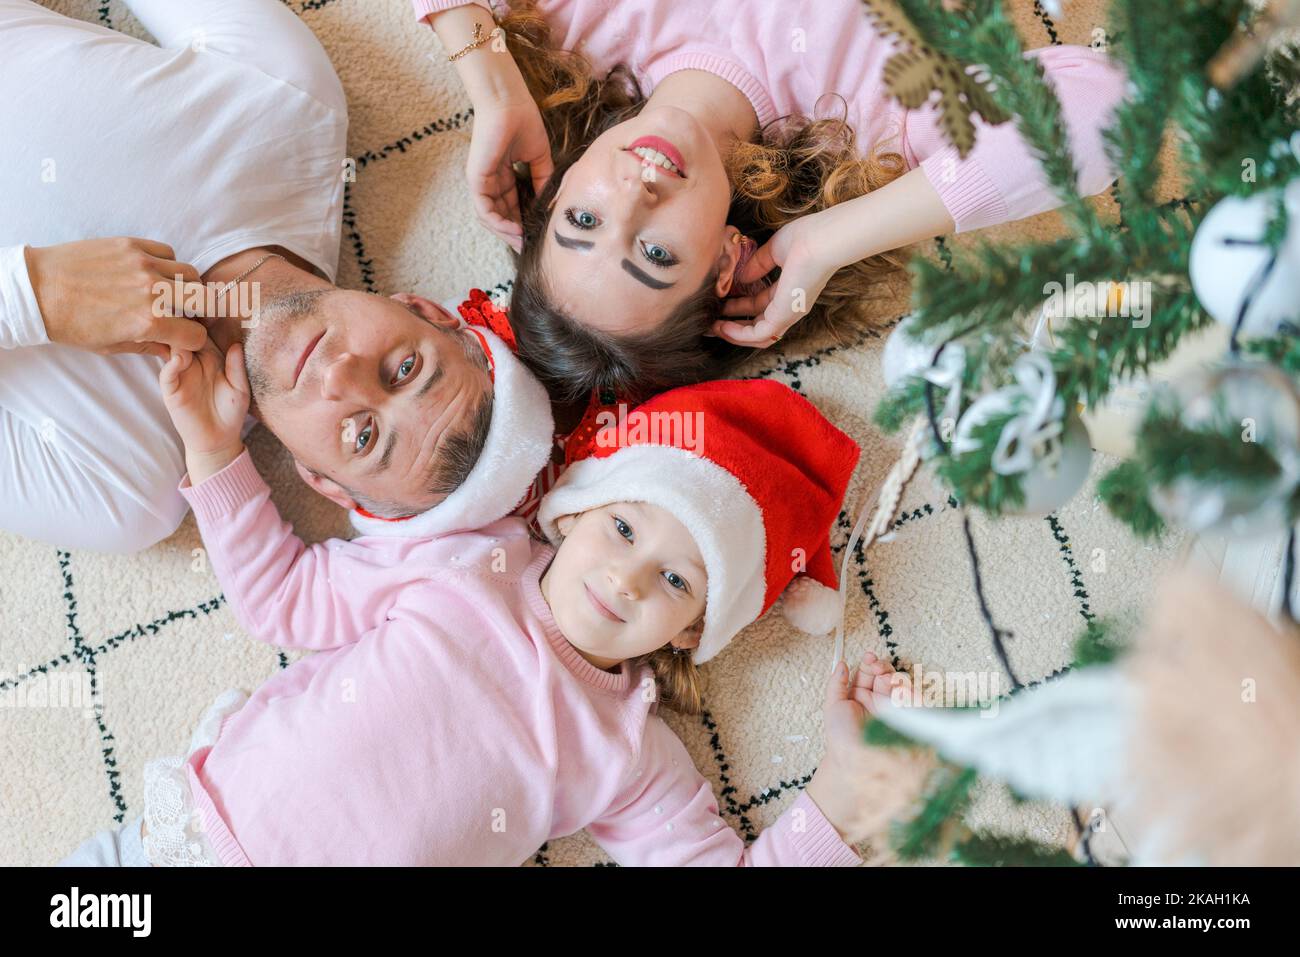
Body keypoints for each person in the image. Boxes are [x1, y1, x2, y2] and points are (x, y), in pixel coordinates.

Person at [60, 367, 902, 865]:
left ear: (690, 631)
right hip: (187, 838)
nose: (629, 577)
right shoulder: (465, 557)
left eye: (677, 581)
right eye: (621, 527)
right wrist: (215, 454)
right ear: (572, 516)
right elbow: (284, 596)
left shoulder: (630, 755)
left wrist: (837, 799)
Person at [0, 0, 552, 552]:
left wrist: (38, 295)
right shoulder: (290, 100)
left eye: (362, 435)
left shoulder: (122, 489)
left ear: (317, 479)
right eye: (403, 368)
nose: (340, 375)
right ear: (420, 309)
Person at [414, 0, 1128, 401]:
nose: (636, 194)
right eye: (655, 253)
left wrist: (491, 80)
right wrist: (834, 235)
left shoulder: (583, 29)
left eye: (585, 219)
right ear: (729, 262)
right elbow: (1104, 116)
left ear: (561, 183)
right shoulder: (867, 125)